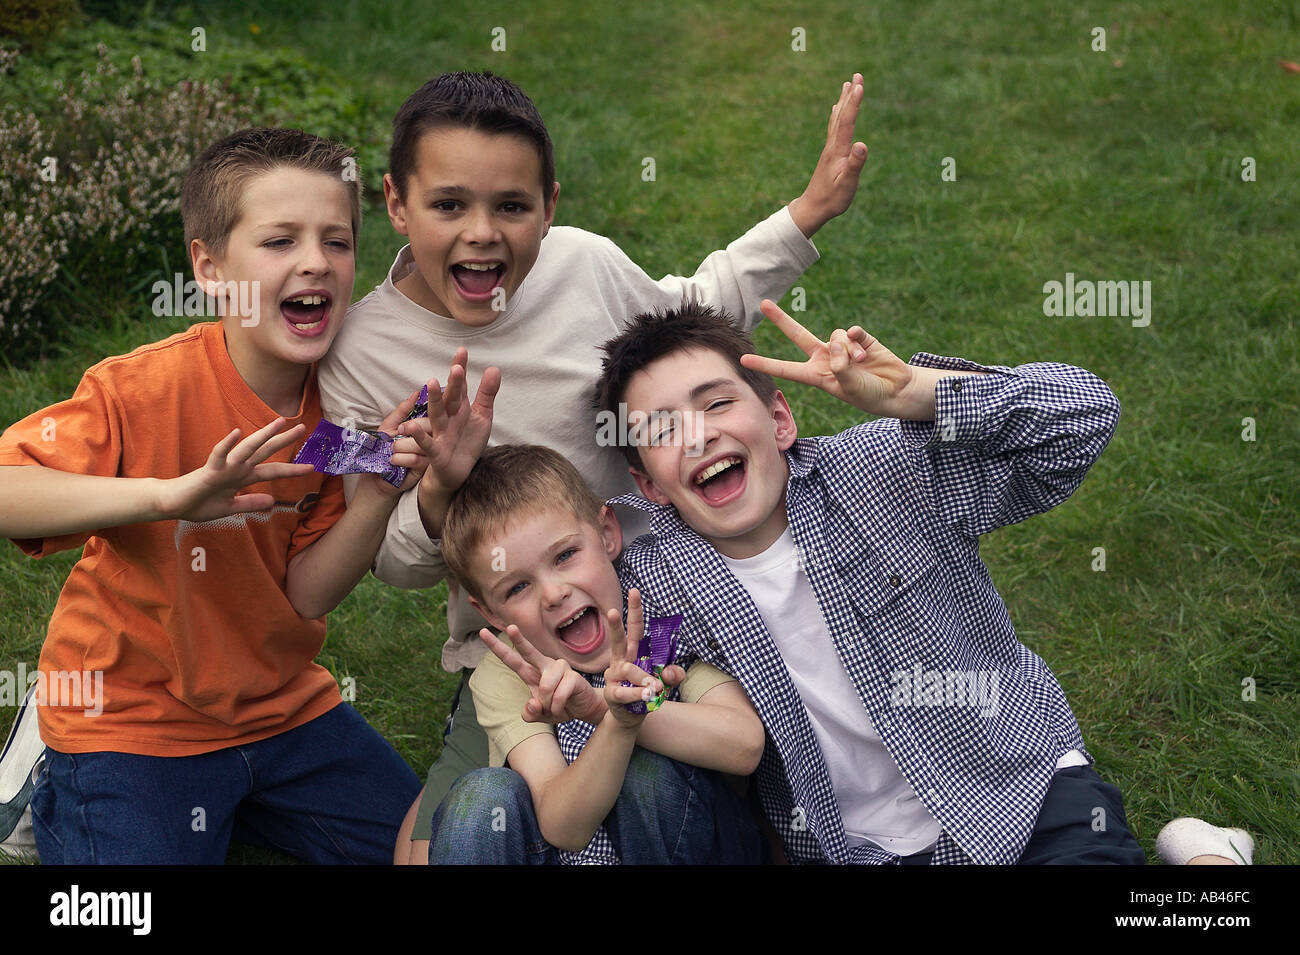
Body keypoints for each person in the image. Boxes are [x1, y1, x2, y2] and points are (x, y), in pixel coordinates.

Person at [315, 69, 870, 863]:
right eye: (448, 205)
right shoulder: (362, 355)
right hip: (513, 649)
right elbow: (394, 564)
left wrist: (807, 212)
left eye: (512, 206)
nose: (482, 233)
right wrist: (439, 484)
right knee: (427, 850)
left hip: (653, 611)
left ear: (550, 207)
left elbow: (690, 312)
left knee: (675, 781)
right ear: (397, 205)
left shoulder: (583, 267)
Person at [595, 300, 1146, 864]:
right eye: (664, 430)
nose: (697, 438)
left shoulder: (885, 467)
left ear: (779, 420)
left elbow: (1084, 417)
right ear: (650, 485)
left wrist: (917, 394)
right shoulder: (655, 584)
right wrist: (630, 700)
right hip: (859, 851)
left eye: (717, 404)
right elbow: (633, 690)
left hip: (1021, 793)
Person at [0, 127, 422, 864]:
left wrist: (382, 494)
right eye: (279, 241)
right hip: (129, 719)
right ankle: (46, 777)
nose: (315, 261)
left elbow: (306, 595)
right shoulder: (140, 387)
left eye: (336, 241)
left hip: (283, 708)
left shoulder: (345, 404)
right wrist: (170, 497)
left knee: (435, 850)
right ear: (209, 265)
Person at [417, 443, 766, 863]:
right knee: (479, 798)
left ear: (607, 534)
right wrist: (615, 724)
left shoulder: (660, 617)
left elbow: (743, 745)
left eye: (565, 555)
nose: (554, 593)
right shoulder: (508, 672)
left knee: (646, 771)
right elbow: (564, 827)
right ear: (489, 611)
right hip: (575, 851)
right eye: (517, 587)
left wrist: (621, 710)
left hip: (695, 836)